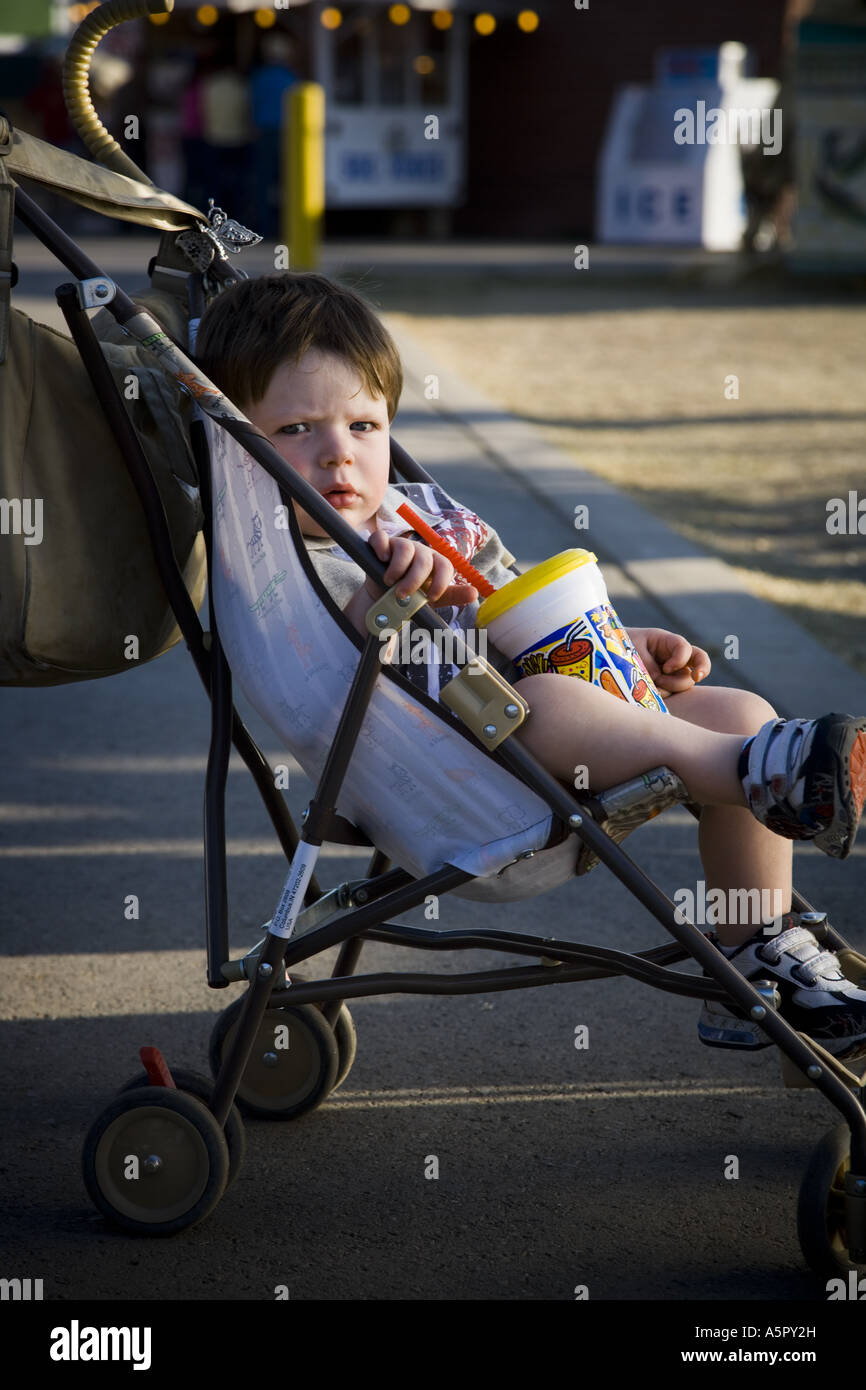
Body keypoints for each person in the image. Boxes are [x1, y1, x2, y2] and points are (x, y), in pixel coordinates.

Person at [195, 272, 866, 1063]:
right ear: (240, 450)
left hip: (553, 752)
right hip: (483, 799)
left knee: (736, 708)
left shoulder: (411, 520)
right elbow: (352, 657)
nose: (339, 453)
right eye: (297, 428)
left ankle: (756, 943)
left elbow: (515, 620)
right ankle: (767, 773)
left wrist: (626, 647)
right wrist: (387, 594)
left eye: (365, 425)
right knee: (548, 700)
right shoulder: (298, 566)